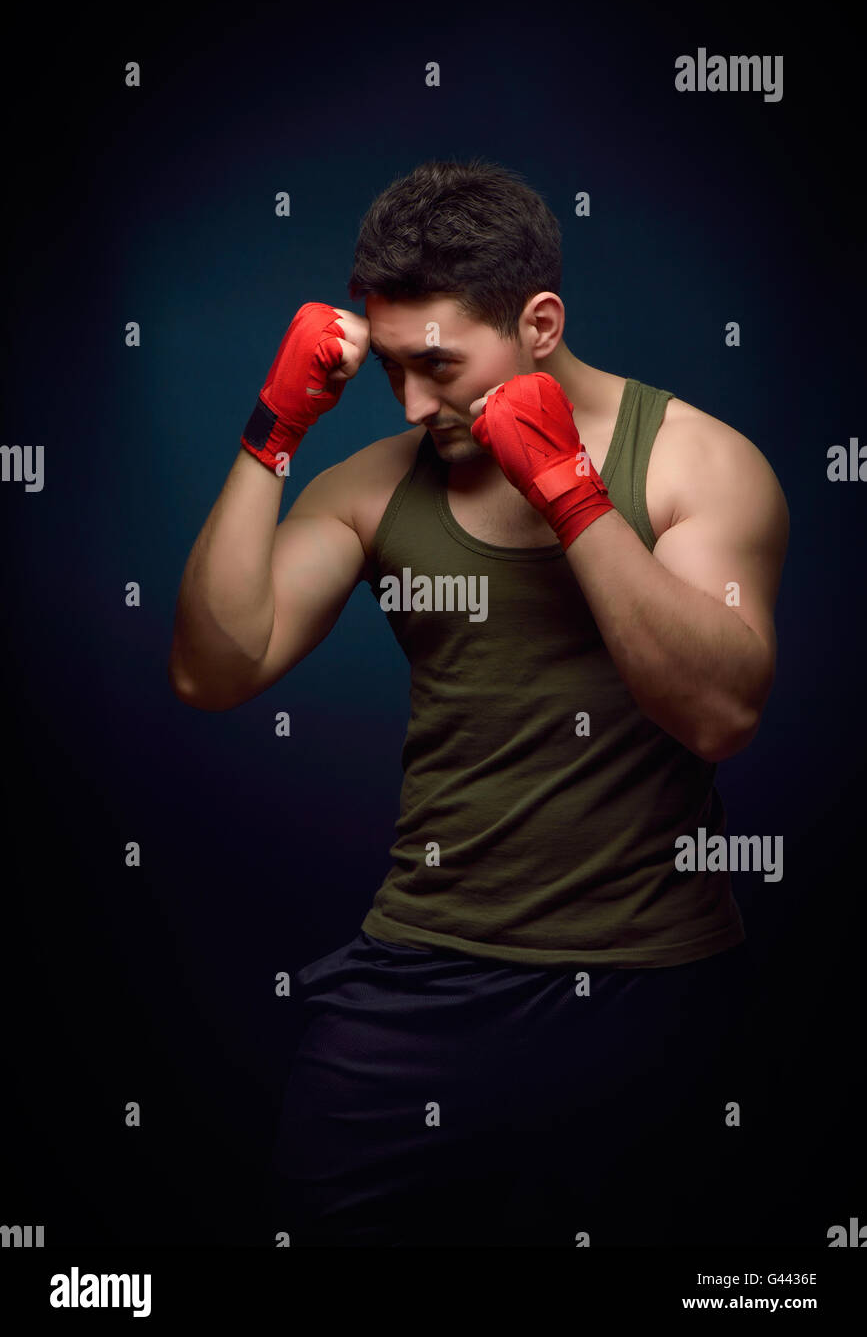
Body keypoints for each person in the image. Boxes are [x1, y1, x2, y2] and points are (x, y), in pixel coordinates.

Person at [169, 158, 789, 1246]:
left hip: (651, 982)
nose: (413, 403)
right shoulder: (373, 485)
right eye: (390, 371)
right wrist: (272, 434)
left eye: (439, 366)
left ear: (539, 322)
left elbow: (721, 715)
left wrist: (574, 498)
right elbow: (215, 671)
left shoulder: (698, 463)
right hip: (421, 976)